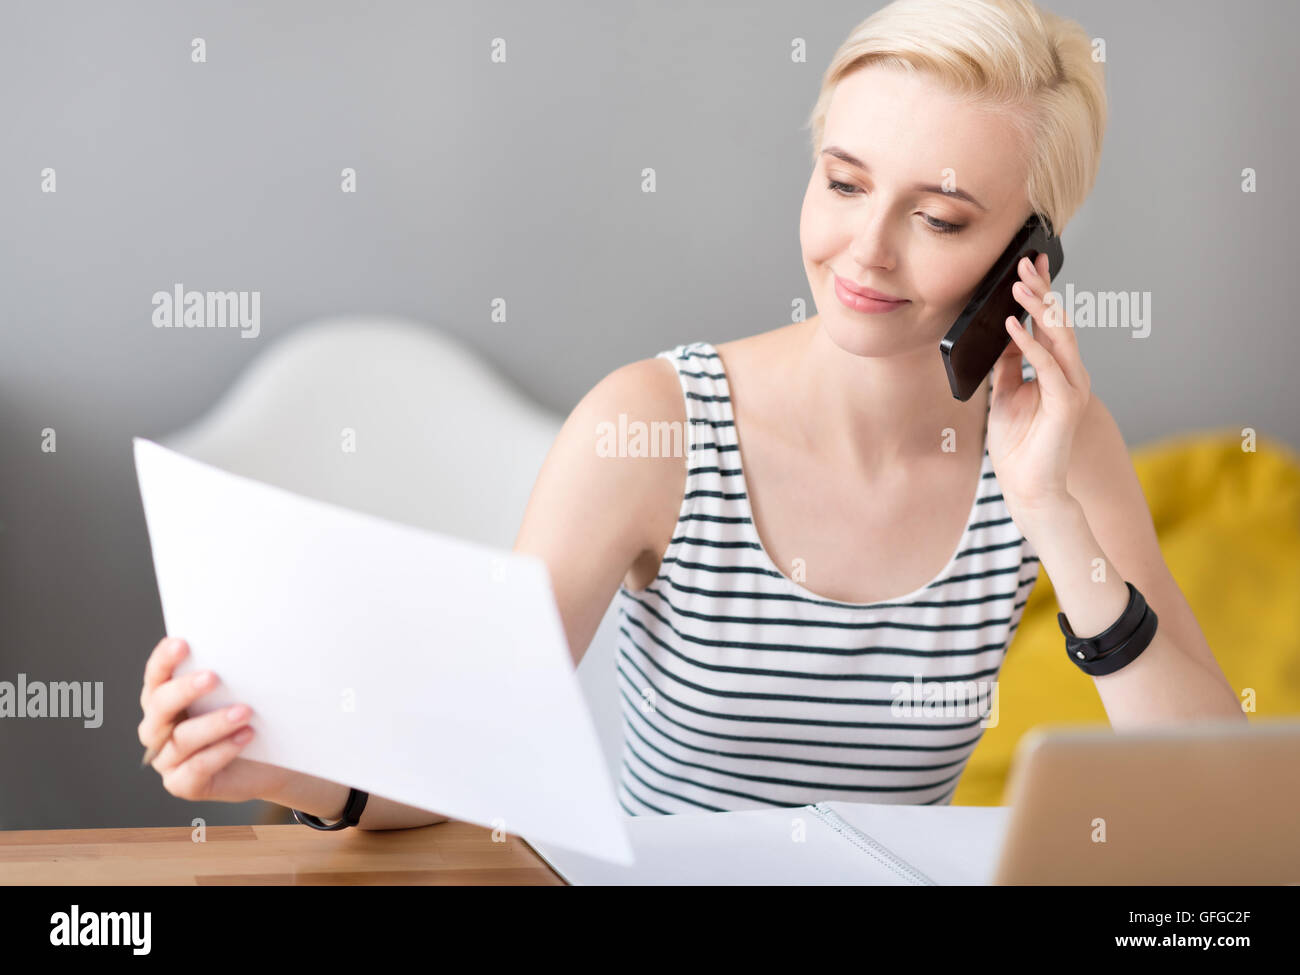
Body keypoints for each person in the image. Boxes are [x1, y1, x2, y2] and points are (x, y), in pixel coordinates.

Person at [137, 0, 1243, 829]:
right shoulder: (654, 424)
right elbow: (482, 753)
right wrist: (275, 769)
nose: (864, 250)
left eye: (940, 217)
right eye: (844, 182)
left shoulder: (1052, 447)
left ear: (1026, 258)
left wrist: (1051, 511)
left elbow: (1212, 799)